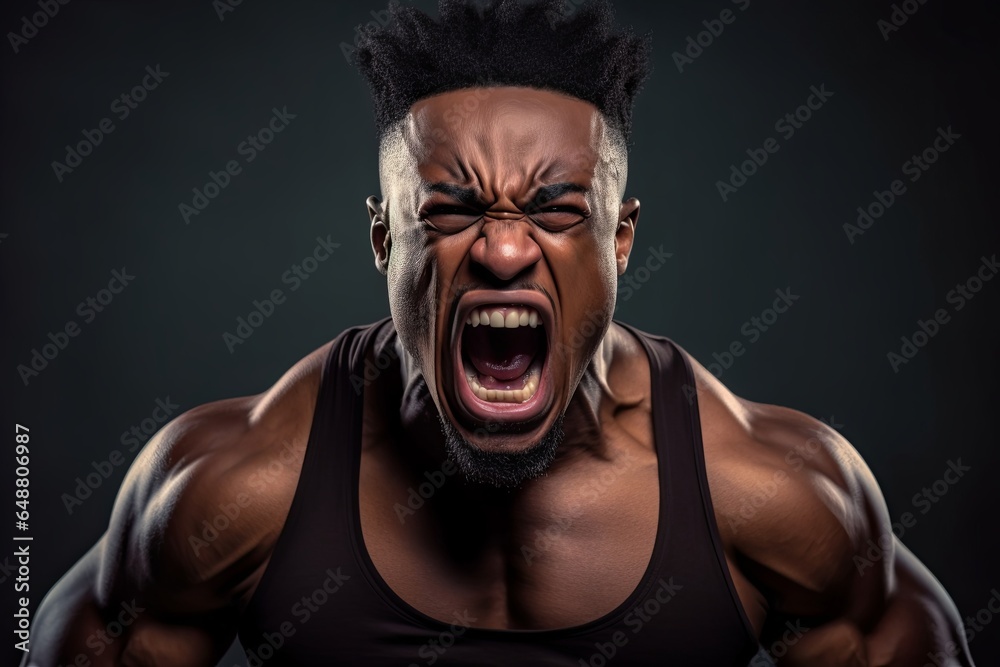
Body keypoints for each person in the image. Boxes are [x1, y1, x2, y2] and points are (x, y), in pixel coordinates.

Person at [26, 1, 974, 665]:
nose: (507, 248)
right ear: (383, 236)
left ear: (622, 238)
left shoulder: (773, 493)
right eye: (451, 209)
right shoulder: (233, 490)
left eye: (558, 209)